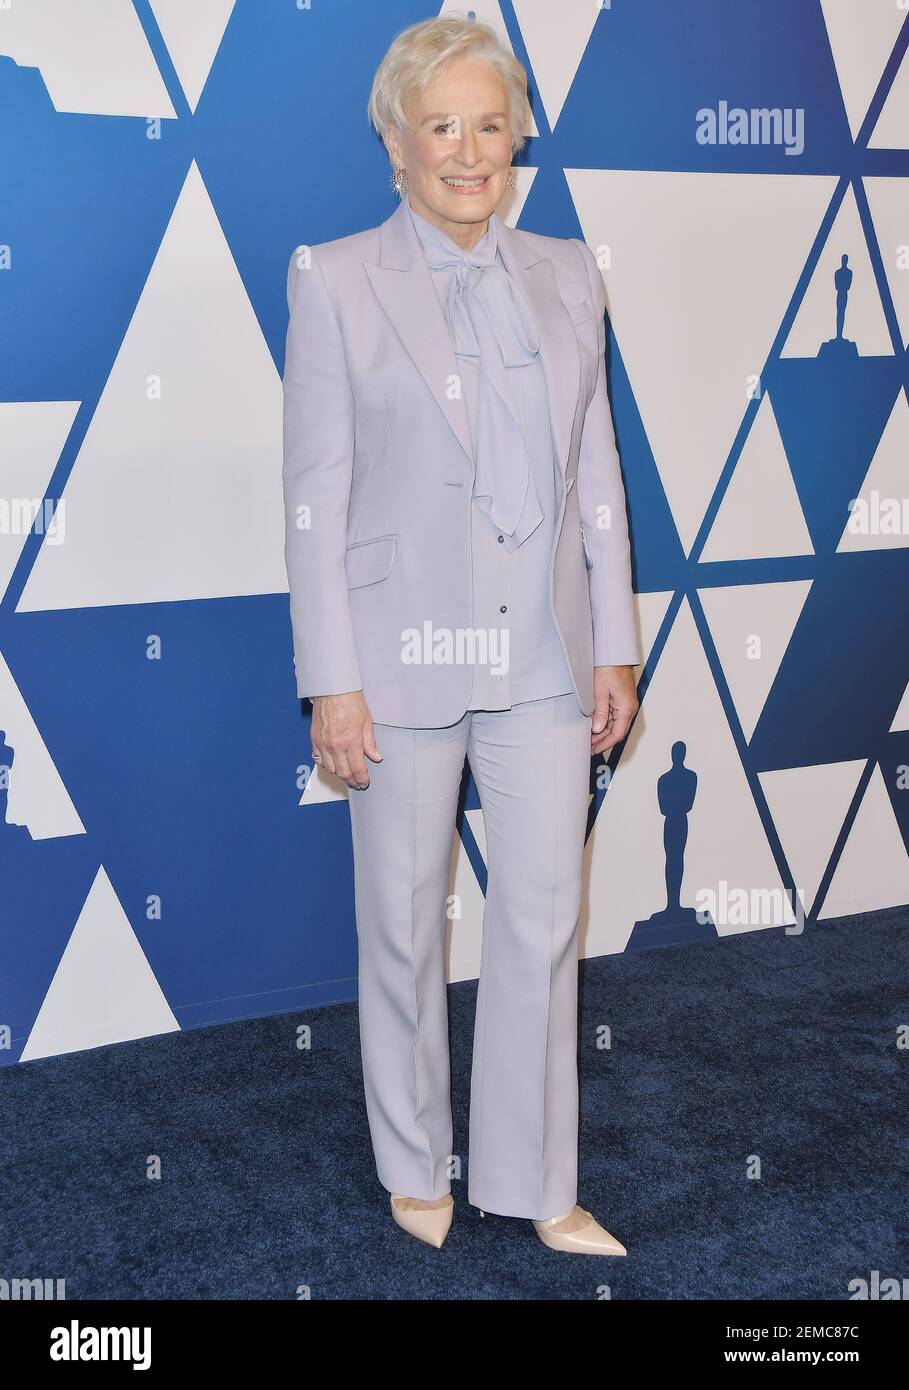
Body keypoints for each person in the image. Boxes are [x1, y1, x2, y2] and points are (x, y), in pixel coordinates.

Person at [282, 13, 640, 1254]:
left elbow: (599, 467)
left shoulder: (569, 273)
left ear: (518, 137)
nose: (470, 151)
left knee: (544, 922)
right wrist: (331, 679)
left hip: (543, 650)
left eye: (492, 125)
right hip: (398, 656)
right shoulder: (332, 277)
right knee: (405, 914)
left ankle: (540, 1180)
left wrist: (615, 641)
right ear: (398, 142)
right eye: (445, 126)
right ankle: (413, 1162)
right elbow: (315, 494)